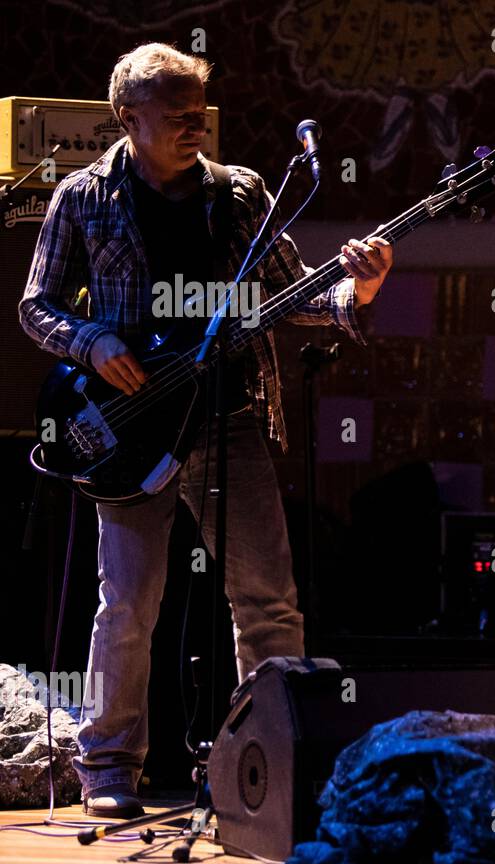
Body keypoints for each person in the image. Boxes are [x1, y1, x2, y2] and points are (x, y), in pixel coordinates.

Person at [18, 43, 394, 817]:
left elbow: (292, 298)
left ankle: (280, 759)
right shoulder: (83, 197)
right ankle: (109, 767)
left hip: (230, 414)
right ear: (128, 117)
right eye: (176, 113)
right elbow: (35, 307)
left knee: (268, 601)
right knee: (127, 603)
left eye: (199, 112)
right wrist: (91, 342)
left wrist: (359, 288)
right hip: (127, 428)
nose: (195, 125)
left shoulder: (240, 192)